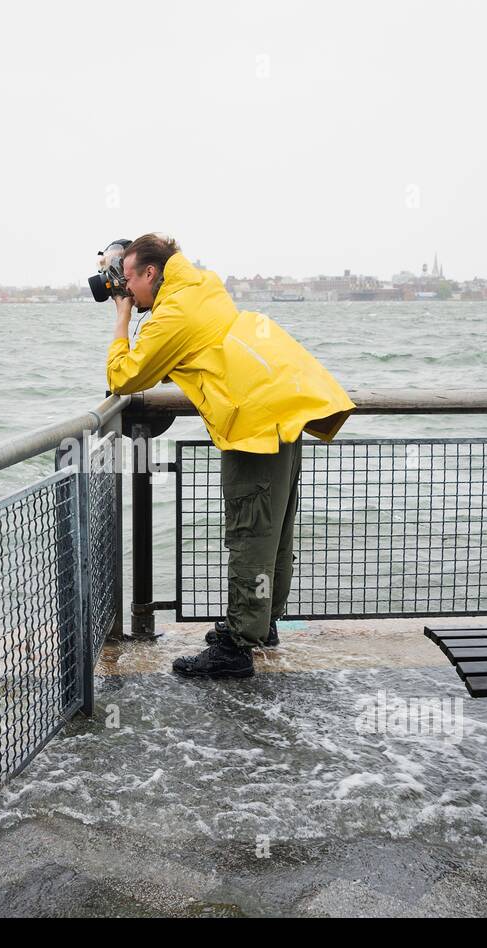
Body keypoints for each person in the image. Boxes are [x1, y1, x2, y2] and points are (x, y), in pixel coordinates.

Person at [105, 233, 356, 679]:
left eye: (126, 278)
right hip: (282, 406)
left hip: (254, 422)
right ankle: (262, 625)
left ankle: (238, 649)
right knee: (274, 531)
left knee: (250, 535)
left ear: (150, 273)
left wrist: (123, 315)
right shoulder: (201, 286)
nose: (124, 287)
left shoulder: (174, 314)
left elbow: (124, 376)